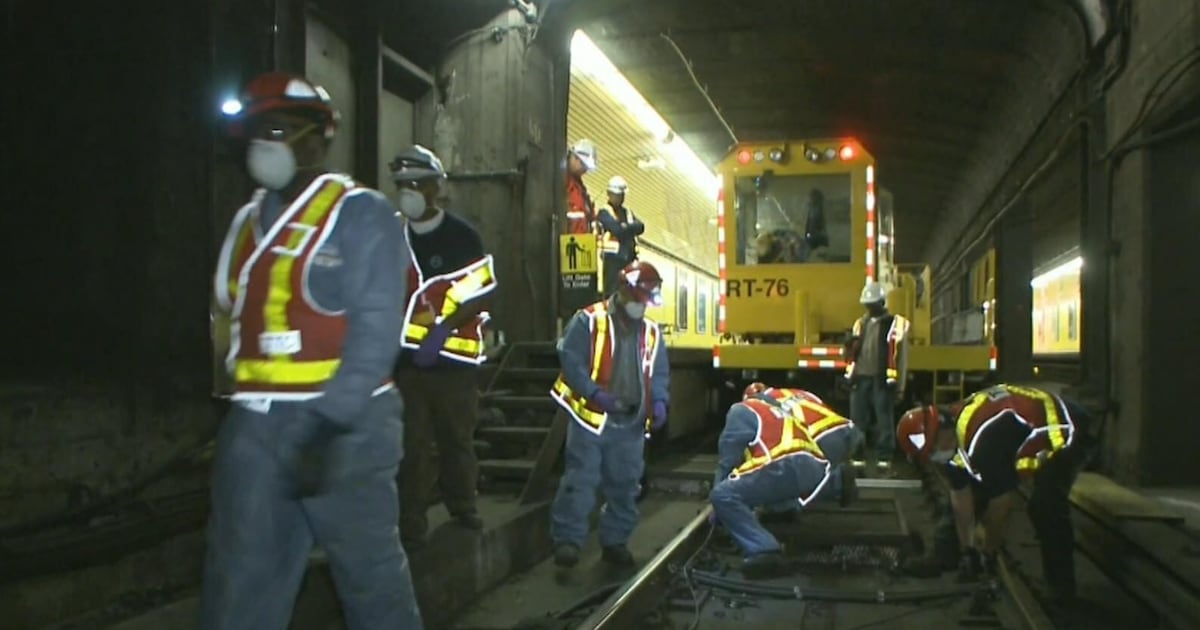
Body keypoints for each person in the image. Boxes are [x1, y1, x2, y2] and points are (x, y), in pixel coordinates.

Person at [203, 72, 422, 630]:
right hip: (254, 428)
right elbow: (224, 314)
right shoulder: (246, 224)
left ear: (318, 138)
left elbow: (377, 334)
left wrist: (328, 423)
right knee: (240, 588)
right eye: (256, 132)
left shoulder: (362, 215)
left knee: (371, 583)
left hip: (346, 430)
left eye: (278, 129)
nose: (264, 143)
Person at [896, 383, 1095, 609]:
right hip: (1019, 432)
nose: (935, 457)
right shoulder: (950, 440)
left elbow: (1002, 504)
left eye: (933, 450)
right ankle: (946, 554)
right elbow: (961, 499)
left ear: (943, 429)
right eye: (930, 455)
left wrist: (989, 552)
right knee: (976, 484)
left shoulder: (986, 438)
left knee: (1045, 505)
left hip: (1070, 430)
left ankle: (1062, 588)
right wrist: (968, 551)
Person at [389, 144, 496, 549]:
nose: (408, 191)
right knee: (410, 448)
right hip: (408, 366)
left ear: (437, 187)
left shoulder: (461, 237)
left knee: (456, 441)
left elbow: (483, 295)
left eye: (417, 183)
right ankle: (411, 524)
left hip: (453, 365)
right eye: (402, 185)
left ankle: (462, 508)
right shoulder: (392, 236)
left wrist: (443, 330)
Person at [549, 260, 670, 568]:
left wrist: (659, 401)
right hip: (591, 417)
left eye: (646, 301)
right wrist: (595, 393)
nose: (641, 306)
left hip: (629, 423)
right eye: (638, 299)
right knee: (581, 479)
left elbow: (658, 373)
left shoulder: (652, 332)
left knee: (625, 485)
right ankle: (568, 541)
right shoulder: (589, 320)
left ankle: (615, 542)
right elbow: (571, 361)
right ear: (623, 291)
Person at [709, 392, 832, 579]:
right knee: (765, 487)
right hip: (816, 470)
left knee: (723, 495)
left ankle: (763, 549)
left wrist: (719, 508)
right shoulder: (781, 411)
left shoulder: (741, 410)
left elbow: (728, 459)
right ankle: (788, 509)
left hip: (783, 467)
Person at [742, 383, 860, 507]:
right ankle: (839, 478)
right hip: (849, 430)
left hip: (822, 437)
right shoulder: (798, 392)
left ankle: (838, 482)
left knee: (800, 483)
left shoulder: (761, 408)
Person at [843, 279, 909, 478]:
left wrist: (900, 386)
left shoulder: (895, 324)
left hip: (882, 380)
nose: (869, 308)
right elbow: (851, 353)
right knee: (858, 421)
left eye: (872, 305)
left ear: (881, 303)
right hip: (861, 378)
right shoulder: (860, 324)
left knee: (884, 421)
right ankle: (857, 459)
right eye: (867, 305)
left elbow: (902, 356)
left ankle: (884, 460)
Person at [596, 175, 644, 296]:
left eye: (621, 195)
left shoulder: (628, 212)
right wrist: (628, 227)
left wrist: (625, 227)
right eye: (617, 194)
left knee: (629, 295)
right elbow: (617, 230)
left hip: (629, 260)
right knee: (613, 295)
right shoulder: (604, 212)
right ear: (609, 193)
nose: (619, 198)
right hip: (612, 263)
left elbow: (641, 226)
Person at [564, 139, 598, 235]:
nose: (585, 171)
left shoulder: (580, 188)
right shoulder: (561, 181)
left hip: (578, 241)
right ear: (575, 158)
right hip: (565, 240)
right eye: (583, 165)